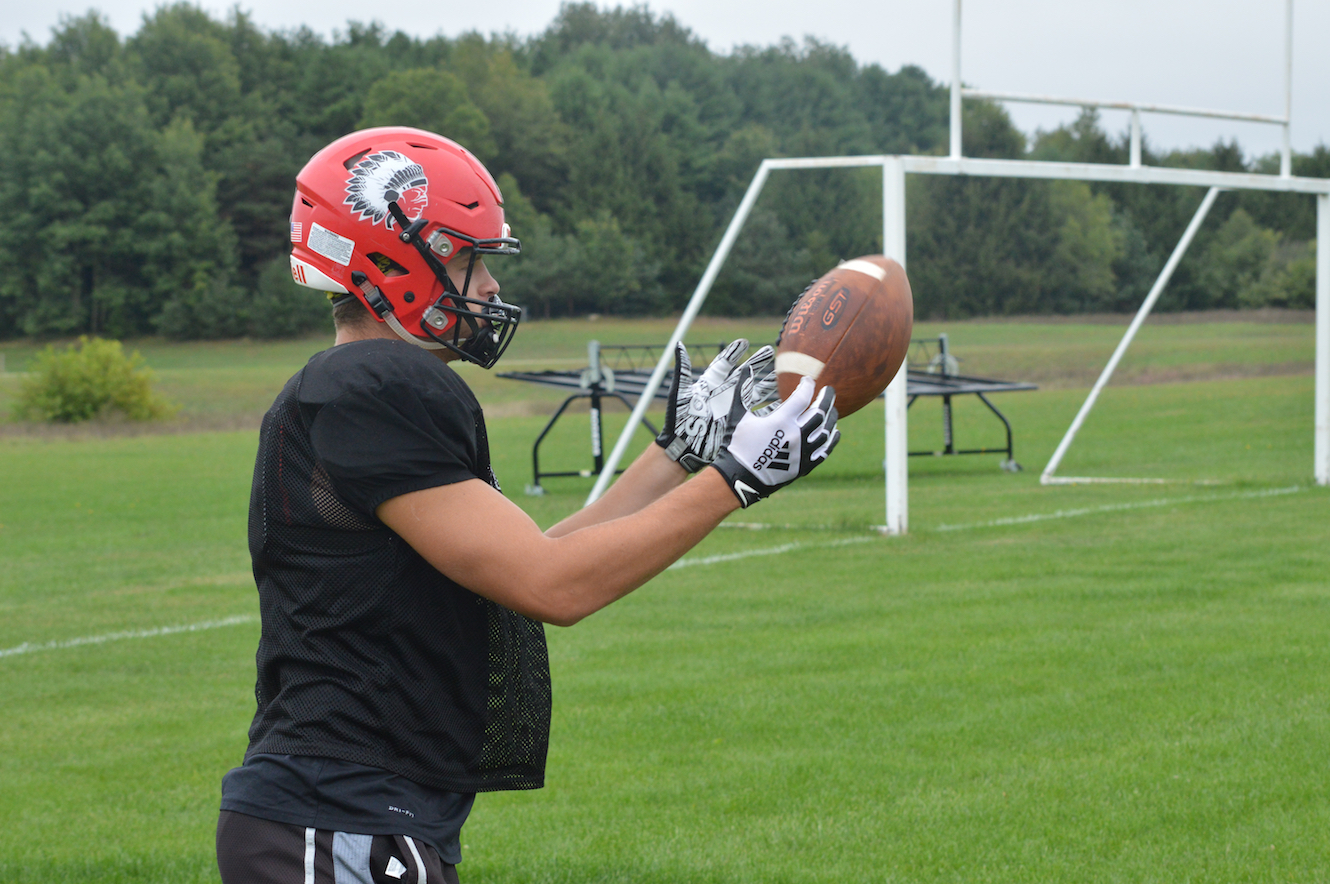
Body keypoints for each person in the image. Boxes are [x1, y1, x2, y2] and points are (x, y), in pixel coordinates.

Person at [216, 126, 839, 883]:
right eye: (462, 256)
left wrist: (680, 456)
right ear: (388, 254)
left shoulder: (359, 387)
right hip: (336, 810)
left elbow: (532, 561)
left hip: (352, 811)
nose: (486, 286)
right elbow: (555, 586)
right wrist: (735, 479)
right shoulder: (376, 384)